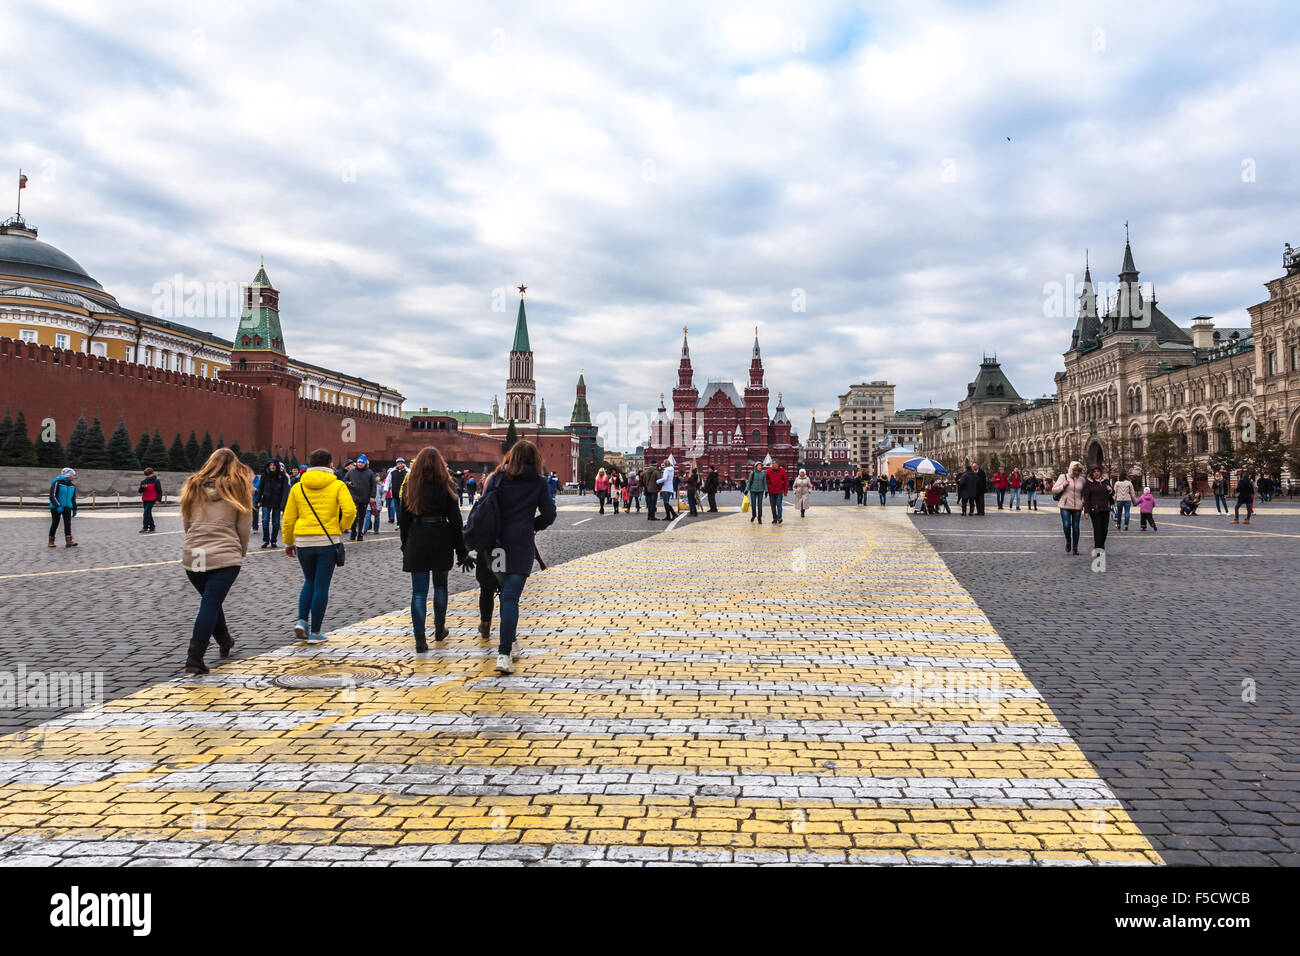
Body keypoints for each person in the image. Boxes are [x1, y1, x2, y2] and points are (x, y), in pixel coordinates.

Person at [476, 440, 557, 675]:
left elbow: (483, 507)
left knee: (504, 594)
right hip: (521, 546)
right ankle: (504, 653)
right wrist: (533, 525)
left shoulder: (497, 478)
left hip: (497, 546)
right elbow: (550, 514)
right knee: (510, 598)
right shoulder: (538, 483)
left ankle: (509, 644)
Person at [179, 448, 252, 674]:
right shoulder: (238, 487)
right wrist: (240, 551)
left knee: (210, 602)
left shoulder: (193, 485)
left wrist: (193, 540)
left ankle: (224, 640)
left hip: (195, 554)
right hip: (224, 555)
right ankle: (194, 658)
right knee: (210, 603)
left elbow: (187, 522)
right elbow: (244, 526)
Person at [399, 446, 471, 652]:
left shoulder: (411, 486)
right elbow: (456, 521)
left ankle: (420, 639)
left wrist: (405, 544)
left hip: (418, 536)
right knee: (440, 587)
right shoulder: (446, 485)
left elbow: (404, 520)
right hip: (441, 536)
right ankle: (439, 629)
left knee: (419, 593)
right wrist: (461, 549)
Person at [283, 448, 356, 645]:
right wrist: (340, 528)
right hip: (327, 541)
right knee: (321, 586)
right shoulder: (338, 485)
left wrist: (289, 542)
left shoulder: (297, 487)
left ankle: (301, 621)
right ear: (330, 464)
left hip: (303, 541)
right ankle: (315, 632)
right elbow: (350, 511)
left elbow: (288, 519)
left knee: (309, 581)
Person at [1051, 461, 1086, 554]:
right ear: (1071, 469)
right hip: (1065, 505)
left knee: (1076, 528)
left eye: (1079, 471)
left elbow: (1084, 493)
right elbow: (1054, 490)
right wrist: (1063, 486)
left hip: (1077, 506)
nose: (1077, 473)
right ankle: (1068, 541)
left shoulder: (1082, 480)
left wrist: (1082, 502)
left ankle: (1075, 548)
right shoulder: (1063, 477)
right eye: (1075, 470)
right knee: (1066, 526)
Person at [257, 458, 291, 549]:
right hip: (266, 501)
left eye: (274, 465)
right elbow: (260, 488)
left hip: (277, 502)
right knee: (265, 521)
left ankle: (273, 541)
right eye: (270, 465)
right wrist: (258, 500)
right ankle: (266, 540)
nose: (272, 467)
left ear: (277, 466)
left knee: (276, 523)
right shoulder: (265, 476)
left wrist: (283, 504)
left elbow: (285, 491)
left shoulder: (283, 477)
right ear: (268, 466)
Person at [344, 454, 378, 541]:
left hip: (364, 498)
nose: (360, 464)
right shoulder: (351, 472)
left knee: (362, 517)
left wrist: (372, 496)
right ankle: (353, 532)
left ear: (365, 463)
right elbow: (345, 480)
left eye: (362, 462)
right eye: (359, 462)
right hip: (353, 497)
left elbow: (374, 486)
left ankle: (360, 534)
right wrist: (348, 483)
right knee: (354, 516)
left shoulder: (369, 473)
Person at [1082, 465, 1115, 553]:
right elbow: (1086, 498)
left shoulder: (1105, 481)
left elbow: (1112, 493)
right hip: (1095, 510)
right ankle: (1098, 548)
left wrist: (1110, 490)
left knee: (1104, 529)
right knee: (1097, 529)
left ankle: (1101, 544)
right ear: (1092, 473)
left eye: (1098, 471)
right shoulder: (1088, 483)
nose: (1097, 473)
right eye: (1095, 471)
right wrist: (1086, 511)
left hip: (1105, 509)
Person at [48, 466, 79, 548]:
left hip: (67, 507)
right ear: (68, 475)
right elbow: (52, 496)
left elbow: (73, 498)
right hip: (56, 507)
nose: (74, 477)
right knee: (55, 523)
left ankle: (69, 541)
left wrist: (75, 508)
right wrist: (57, 506)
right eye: (73, 475)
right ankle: (51, 541)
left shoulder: (72, 486)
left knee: (67, 524)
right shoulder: (57, 483)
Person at [138, 467, 162, 534]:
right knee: (148, 513)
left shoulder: (156, 481)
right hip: (145, 499)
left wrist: (158, 500)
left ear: (153, 473)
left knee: (145, 513)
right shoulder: (143, 481)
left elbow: (159, 491)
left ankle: (145, 527)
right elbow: (140, 491)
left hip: (152, 499)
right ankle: (152, 527)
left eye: (149, 475)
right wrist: (142, 487)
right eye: (146, 475)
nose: (148, 476)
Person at [384, 458, 408, 523]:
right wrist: (386, 488)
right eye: (398, 464)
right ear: (397, 464)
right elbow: (388, 480)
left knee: (402, 509)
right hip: (395, 493)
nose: (400, 465)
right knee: (397, 509)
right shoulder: (392, 472)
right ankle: (399, 523)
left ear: (403, 464)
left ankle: (403, 522)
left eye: (401, 463)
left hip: (404, 494)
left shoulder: (407, 471)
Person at [766, 459, 788, 524]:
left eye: (774, 463)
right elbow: (766, 481)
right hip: (771, 491)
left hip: (779, 491)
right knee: (773, 506)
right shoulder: (768, 471)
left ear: (777, 464)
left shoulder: (782, 471)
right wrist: (766, 490)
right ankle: (774, 519)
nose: (773, 464)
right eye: (772, 463)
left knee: (779, 504)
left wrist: (785, 490)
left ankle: (779, 517)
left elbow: (786, 481)